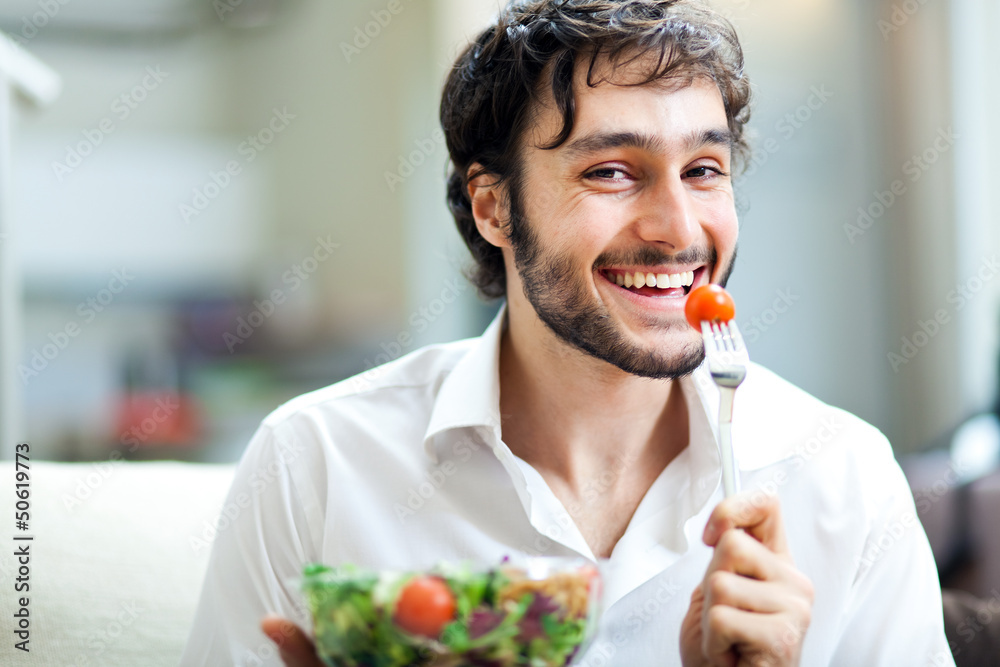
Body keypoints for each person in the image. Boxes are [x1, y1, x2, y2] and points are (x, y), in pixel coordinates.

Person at [180, 1, 955, 665]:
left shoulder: (844, 478)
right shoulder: (317, 463)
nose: (677, 230)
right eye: (611, 171)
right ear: (493, 208)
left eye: (704, 169)